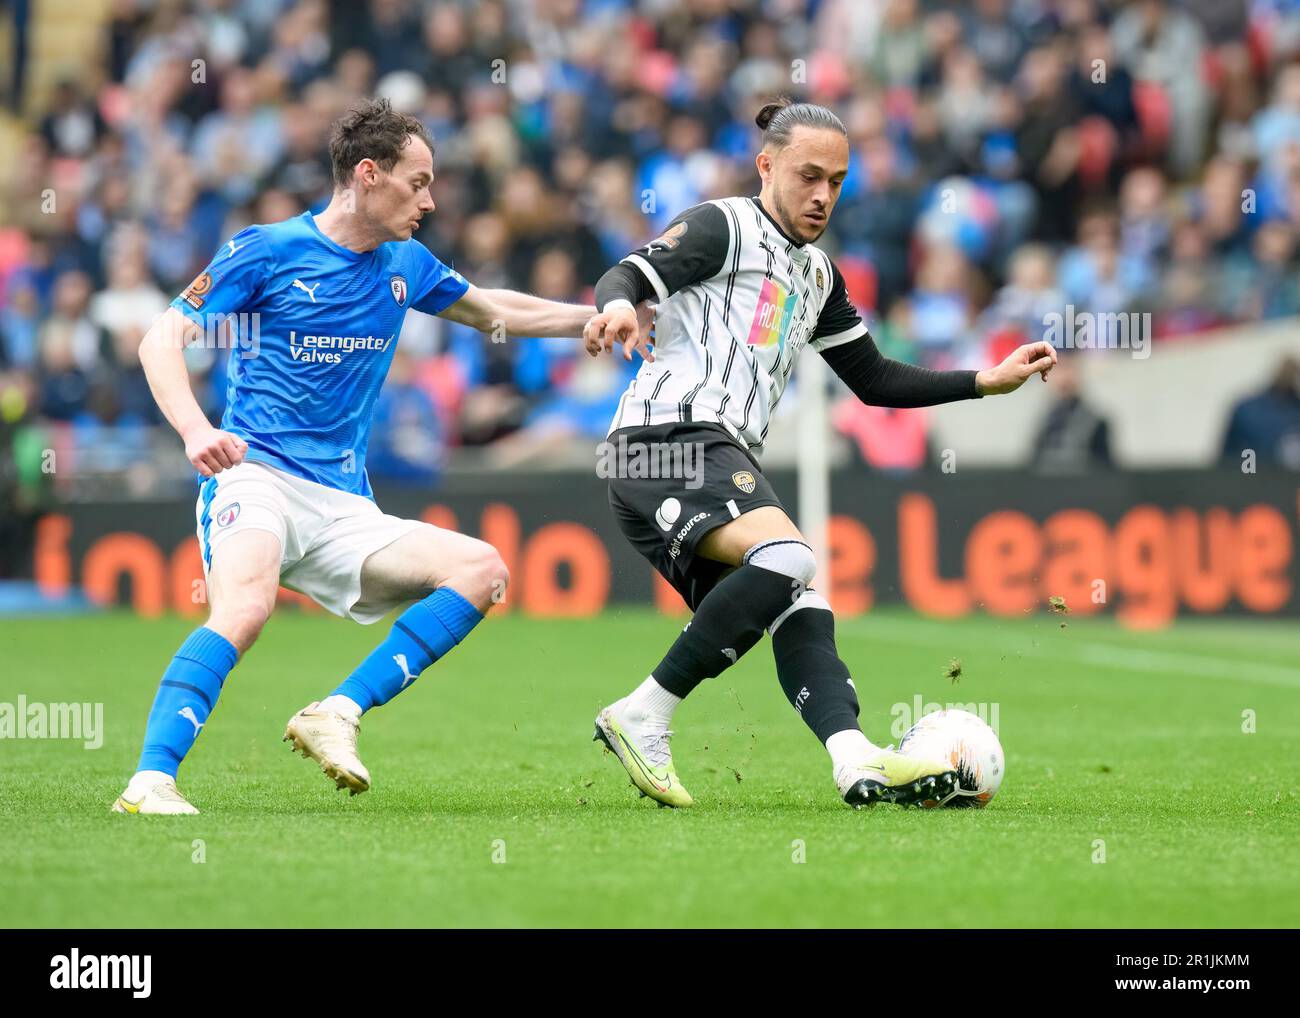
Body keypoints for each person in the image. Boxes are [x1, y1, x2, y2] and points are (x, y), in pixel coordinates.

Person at [112, 98, 648, 814]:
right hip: (256, 474)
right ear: (368, 175)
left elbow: (496, 310)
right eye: (418, 182)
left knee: (482, 569)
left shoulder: (406, 265)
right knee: (244, 607)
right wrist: (193, 430)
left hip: (342, 505)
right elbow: (160, 339)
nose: (429, 200)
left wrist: (594, 318)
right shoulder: (265, 250)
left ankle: (337, 711)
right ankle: (149, 782)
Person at [583, 99, 1056, 809]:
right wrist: (619, 305)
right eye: (808, 176)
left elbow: (874, 379)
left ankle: (852, 756)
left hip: (710, 453)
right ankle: (644, 710)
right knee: (790, 557)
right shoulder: (725, 226)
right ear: (766, 165)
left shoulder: (818, 276)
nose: (822, 195)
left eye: (836, 181)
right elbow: (629, 273)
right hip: (664, 441)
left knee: (800, 600)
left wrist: (984, 381)